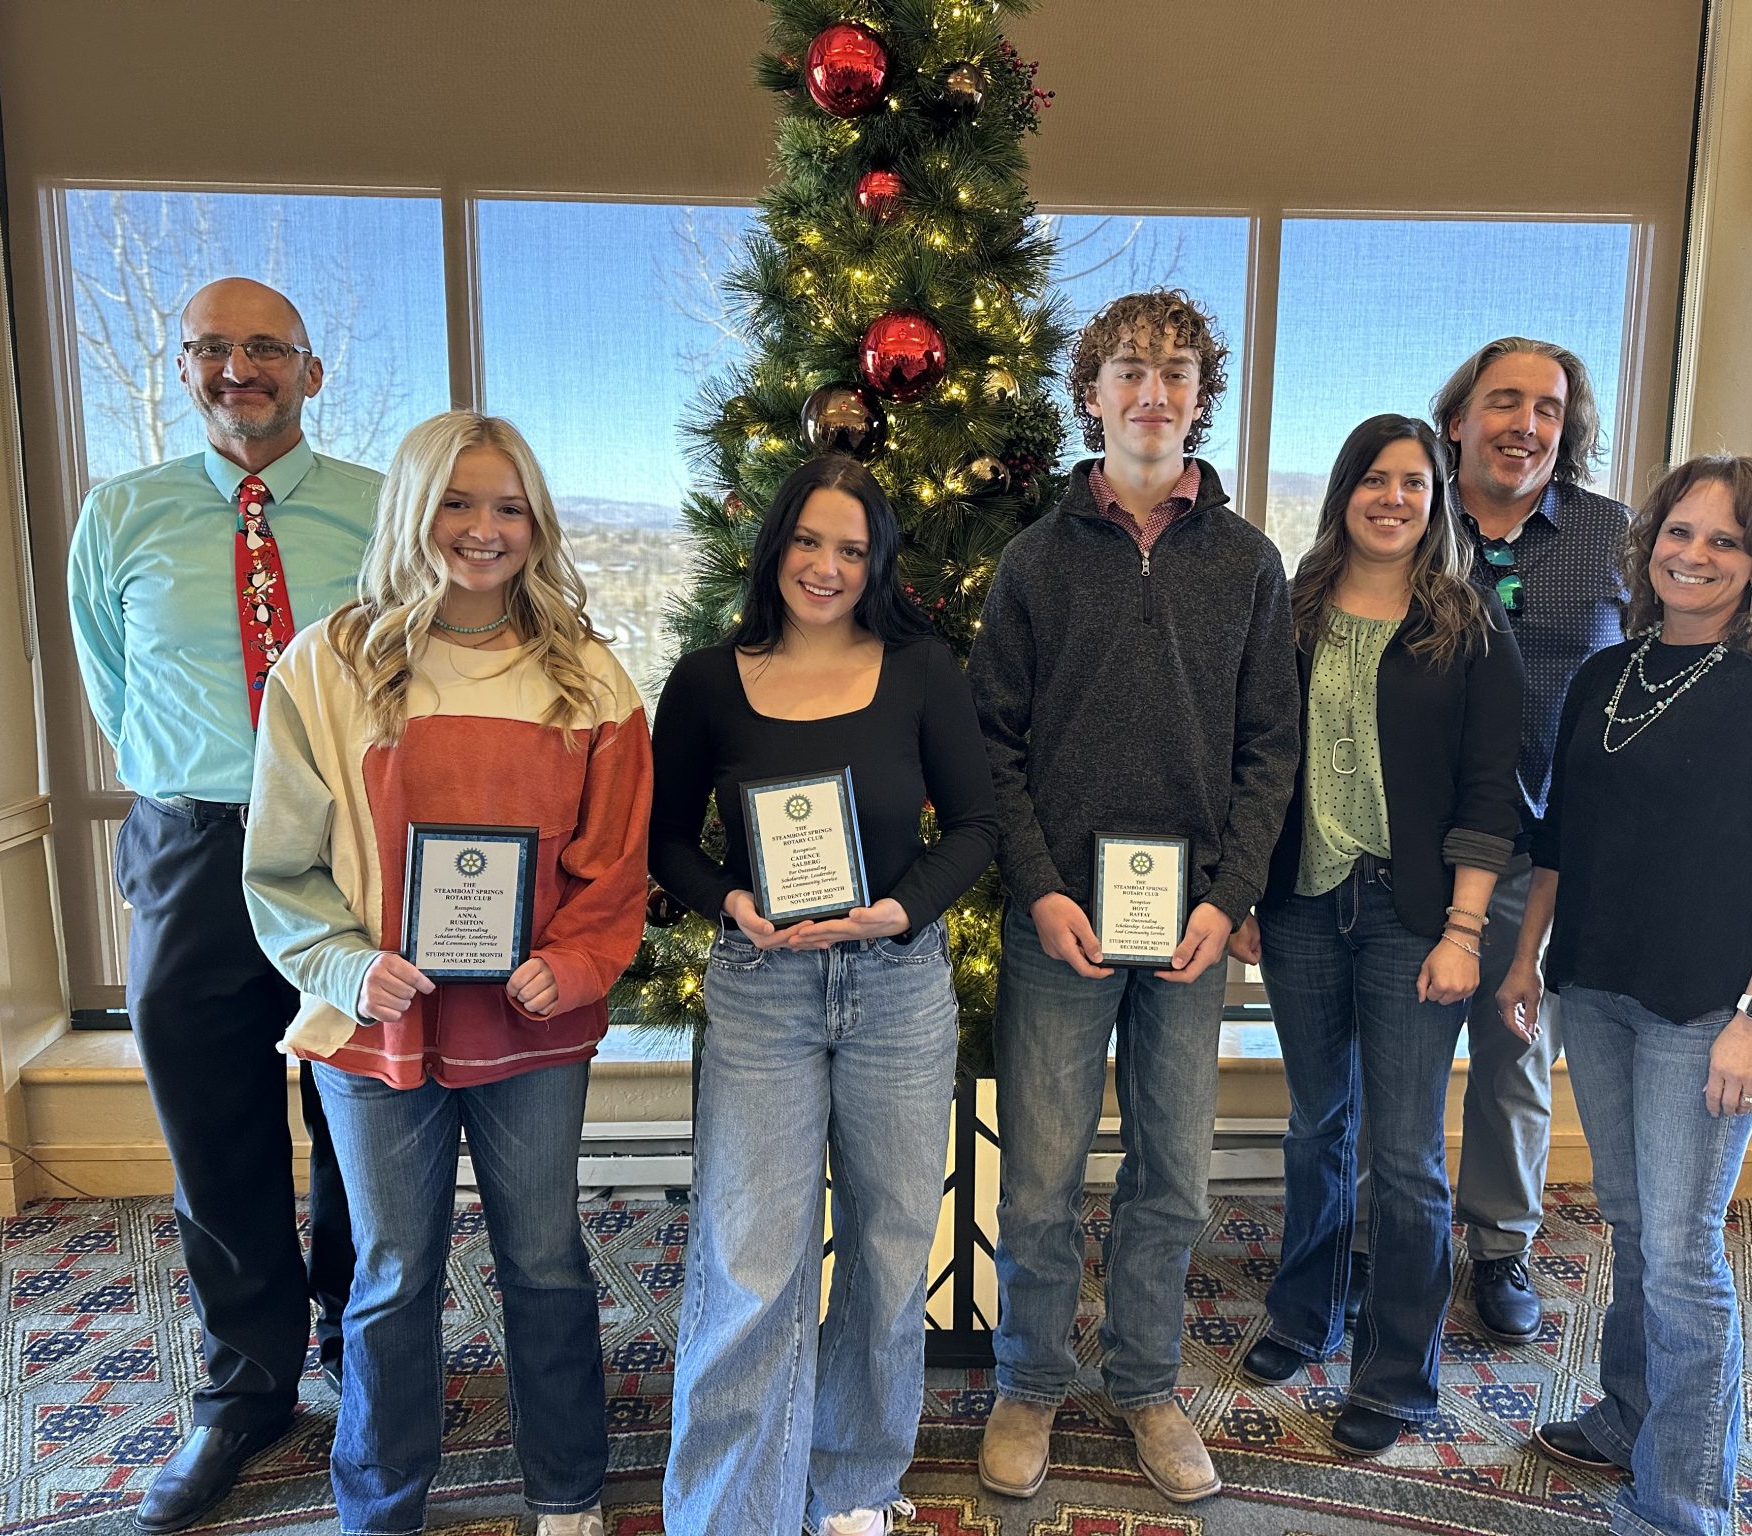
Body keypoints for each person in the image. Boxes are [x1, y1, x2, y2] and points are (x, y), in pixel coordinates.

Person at [241, 411, 651, 1536]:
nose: (483, 530)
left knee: (547, 1263)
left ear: (537, 524)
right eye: (457, 504)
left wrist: (569, 963)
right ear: (412, 514)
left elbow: (613, 872)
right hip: (375, 1028)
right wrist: (343, 960)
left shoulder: (589, 679)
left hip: (531, 1035)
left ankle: (566, 1493)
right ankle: (379, 1508)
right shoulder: (325, 665)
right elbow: (277, 869)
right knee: (391, 1276)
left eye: (508, 507)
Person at [967, 290, 1300, 1505]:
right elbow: (990, 747)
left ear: (1199, 394)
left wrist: (1229, 898)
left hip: (1194, 924)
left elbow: (1271, 749)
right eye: (1126, 370)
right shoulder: (1035, 560)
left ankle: (1148, 1384)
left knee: (1173, 1173)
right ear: (1090, 393)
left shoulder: (1248, 563)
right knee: (1043, 1171)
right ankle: (1030, 1383)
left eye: (1172, 372)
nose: (1151, 392)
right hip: (1058, 918)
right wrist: (1041, 890)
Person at [1496, 455, 1752, 1536]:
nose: (1691, 555)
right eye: (1679, 532)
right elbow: (1561, 842)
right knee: (1628, 1222)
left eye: (1723, 541)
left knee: (1681, 1249)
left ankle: (1680, 1503)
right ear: (1647, 538)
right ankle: (1627, 1415)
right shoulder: (1608, 675)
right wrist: (1525, 957)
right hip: (1597, 990)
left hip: (1707, 1010)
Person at [66, 277, 364, 1534]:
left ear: (308, 370)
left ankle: (364, 1345)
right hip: (193, 846)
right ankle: (247, 1383)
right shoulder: (121, 512)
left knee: (364, 1113)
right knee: (214, 1126)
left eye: (264, 349)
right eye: (211, 349)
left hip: (351, 847)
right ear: (184, 369)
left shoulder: (378, 509)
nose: (237, 368)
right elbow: (110, 677)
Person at [651, 455, 996, 1536]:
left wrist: (898, 912)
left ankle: (852, 1486)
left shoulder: (921, 668)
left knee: (892, 1252)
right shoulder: (707, 680)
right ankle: (728, 1511)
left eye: (852, 548)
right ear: (775, 548)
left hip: (897, 988)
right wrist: (731, 903)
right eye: (809, 541)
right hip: (763, 989)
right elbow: (663, 839)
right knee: (750, 1258)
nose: (827, 566)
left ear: (877, 561)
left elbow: (977, 829)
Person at [1231, 414, 1522, 1455]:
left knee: (1402, 1155)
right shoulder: (1291, 611)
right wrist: (1249, 896)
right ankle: (1304, 1313)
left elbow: (1495, 790)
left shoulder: (1467, 624)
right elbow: (1256, 757)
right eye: (1373, 479)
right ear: (1343, 491)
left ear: (1435, 498)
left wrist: (1462, 927)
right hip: (1305, 904)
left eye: (1412, 482)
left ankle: (1396, 1372)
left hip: (1416, 921)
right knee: (1317, 1127)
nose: (1392, 498)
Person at [1409, 337, 1631, 1345]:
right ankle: (1383, 1239)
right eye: (1503, 401)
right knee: (1395, 1053)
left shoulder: (1611, 537)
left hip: (1543, 850)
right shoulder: (1405, 515)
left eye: (1546, 408)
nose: (1524, 425)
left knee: (1511, 1054)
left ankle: (1497, 1247)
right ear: (1456, 417)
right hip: (1409, 836)